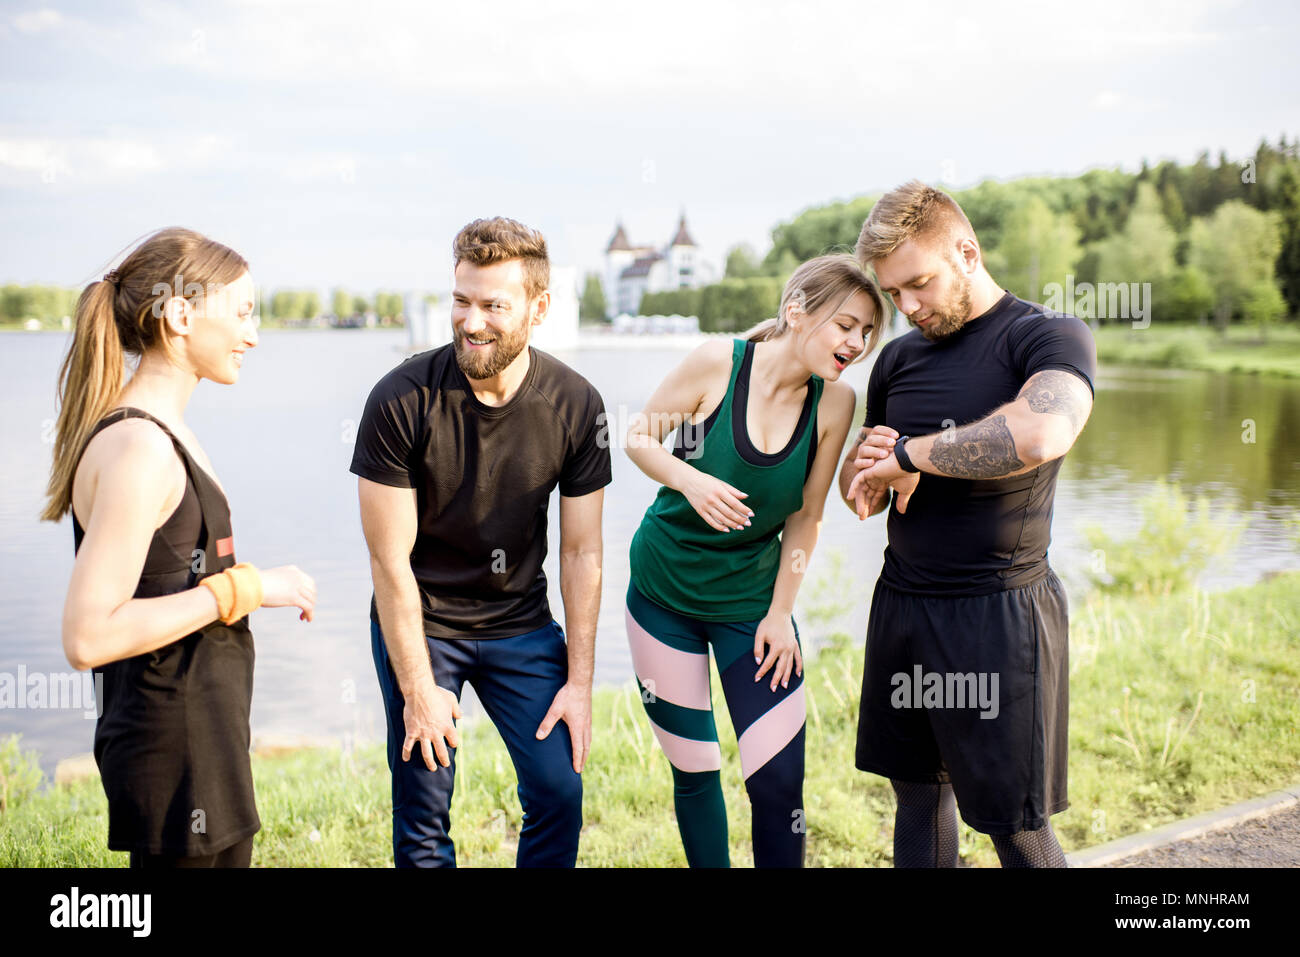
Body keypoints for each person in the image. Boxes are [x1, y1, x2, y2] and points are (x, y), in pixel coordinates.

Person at [839, 180, 1096, 868]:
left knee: (1014, 825)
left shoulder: (1044, 335)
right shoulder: (898, 359)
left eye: (918, 283)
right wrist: (866, 472)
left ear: (967, 251)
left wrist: (910, 453)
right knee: (918, 802)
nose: (908, 306)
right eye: (894, 294)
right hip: (905, 605)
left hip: (1000, 613)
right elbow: (861, 492)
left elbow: (1042, 432)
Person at [44, 227, 317, 868]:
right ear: (180, 316)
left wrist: (238, 586)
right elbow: (88, 637)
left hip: (205, 750)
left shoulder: (166, 432)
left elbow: (168, 583)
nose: (253, 335)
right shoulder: (139, 448)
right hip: (173, 758)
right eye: (243, 314)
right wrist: (246, 588)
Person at [352, 217, 611, 868]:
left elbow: (583, 554)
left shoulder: (577, 405)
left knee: (559, 789)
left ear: (538, 308)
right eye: (461, 300)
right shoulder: (400, 399)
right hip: (421, 621)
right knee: (422, 812)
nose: (472, 322)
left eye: (494, 305)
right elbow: (388, 561)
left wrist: (579, 683)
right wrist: (417, 686)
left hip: (520, 624)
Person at [624, 254, 889, 867]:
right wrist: (691, 481)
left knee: (776, 784)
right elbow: (638, 436)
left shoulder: (835, 403)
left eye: (867, 332)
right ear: (796, 310)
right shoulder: (718, 362)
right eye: (845, 324)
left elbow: (806, 517)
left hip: (752, 602)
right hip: (663, 594)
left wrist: (780, 615)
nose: (856, 342)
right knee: (696, 769)